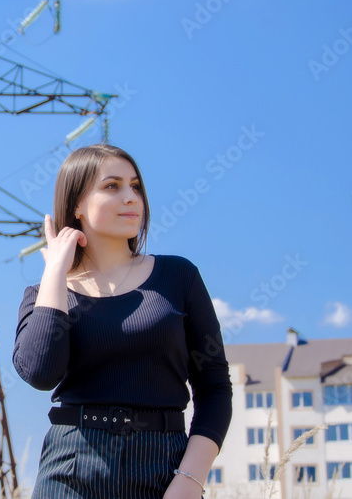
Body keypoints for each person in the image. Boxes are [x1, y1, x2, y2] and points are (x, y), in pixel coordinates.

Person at [12, 144, 232, 499]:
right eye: (112, 186)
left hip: (163, 468)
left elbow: (215, 388)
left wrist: (190, 481)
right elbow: (40, 372)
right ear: (77, 206)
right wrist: (55, 270)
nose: (131, 198)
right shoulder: (45, 294)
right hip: (70, 470)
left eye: (136, 187)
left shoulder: (179, 276)